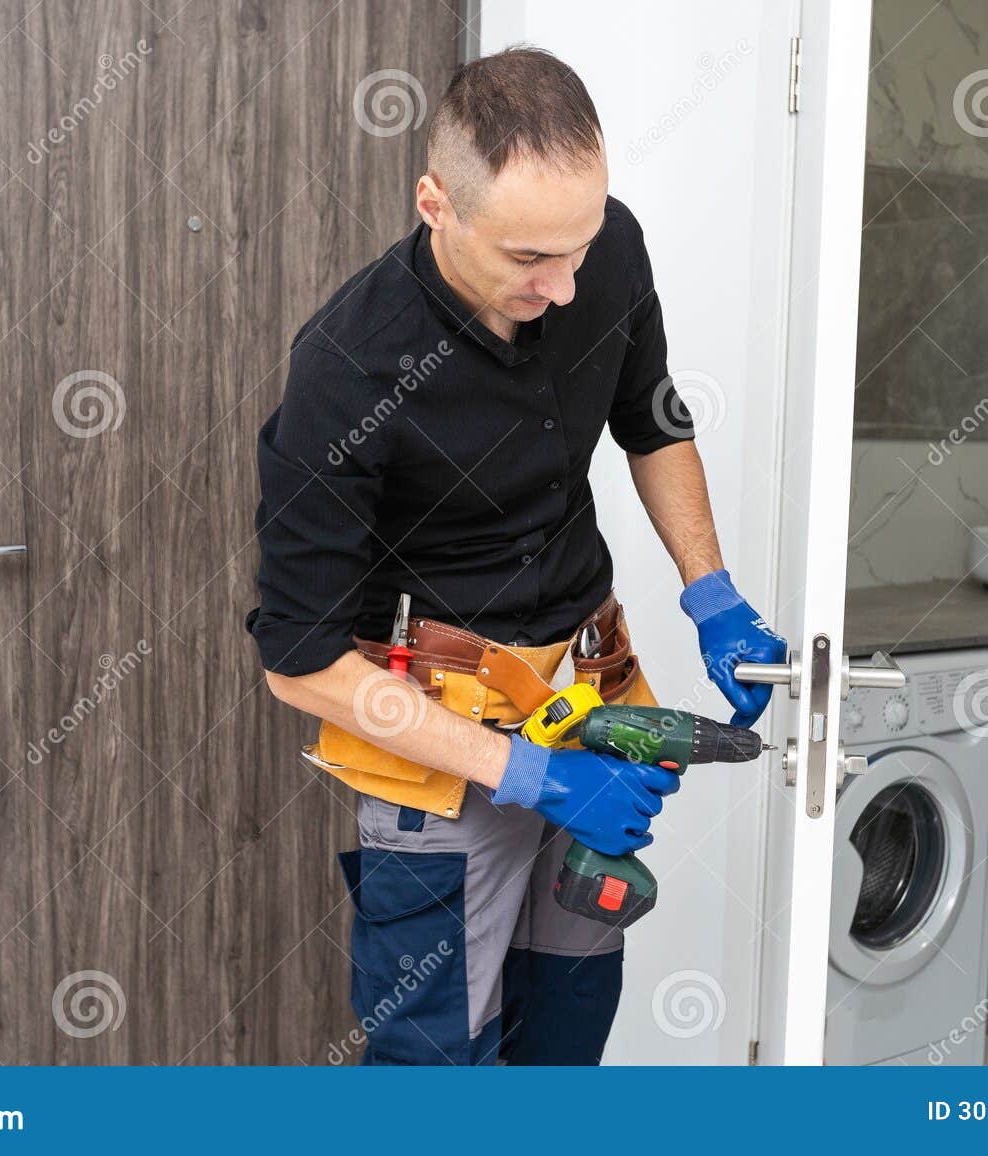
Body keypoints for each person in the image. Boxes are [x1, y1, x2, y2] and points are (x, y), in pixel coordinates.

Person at [245, 46, 785, 1065]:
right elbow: (298, 660)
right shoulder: (349, 368)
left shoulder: (602, 249)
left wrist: (710, 594)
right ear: (435, 202)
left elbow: (652, 419)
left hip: (590, 693)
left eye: (579, 246)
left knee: (569, 1021)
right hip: (444, 737)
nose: (569, 285)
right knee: (437, 1059)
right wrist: (528, 776)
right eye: (531, 258)